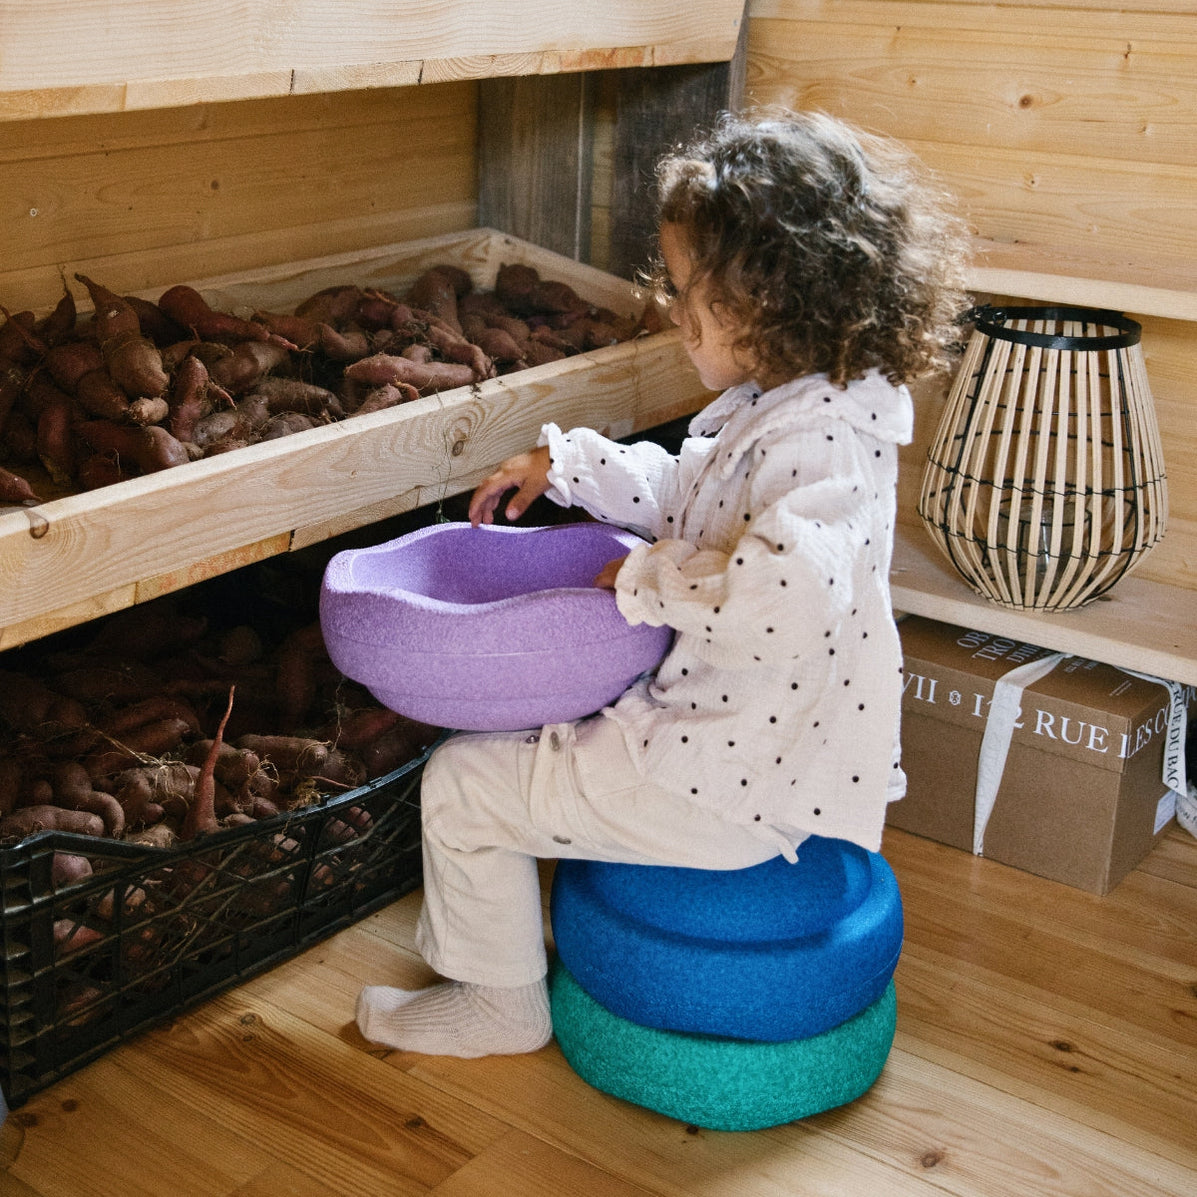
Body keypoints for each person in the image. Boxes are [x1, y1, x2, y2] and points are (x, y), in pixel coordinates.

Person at [355, 107, 970, 1059]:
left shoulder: (819, 445)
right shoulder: (805, 408)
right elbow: (692, 495)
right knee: (521, 755)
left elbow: (786, 597)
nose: (672, 310)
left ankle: (494, 1005)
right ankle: (517, 943)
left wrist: (644, 582)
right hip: (733, 752)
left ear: (774, 300)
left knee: (462, 782)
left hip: (724, 782)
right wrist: (563, 464)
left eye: (690, 292)